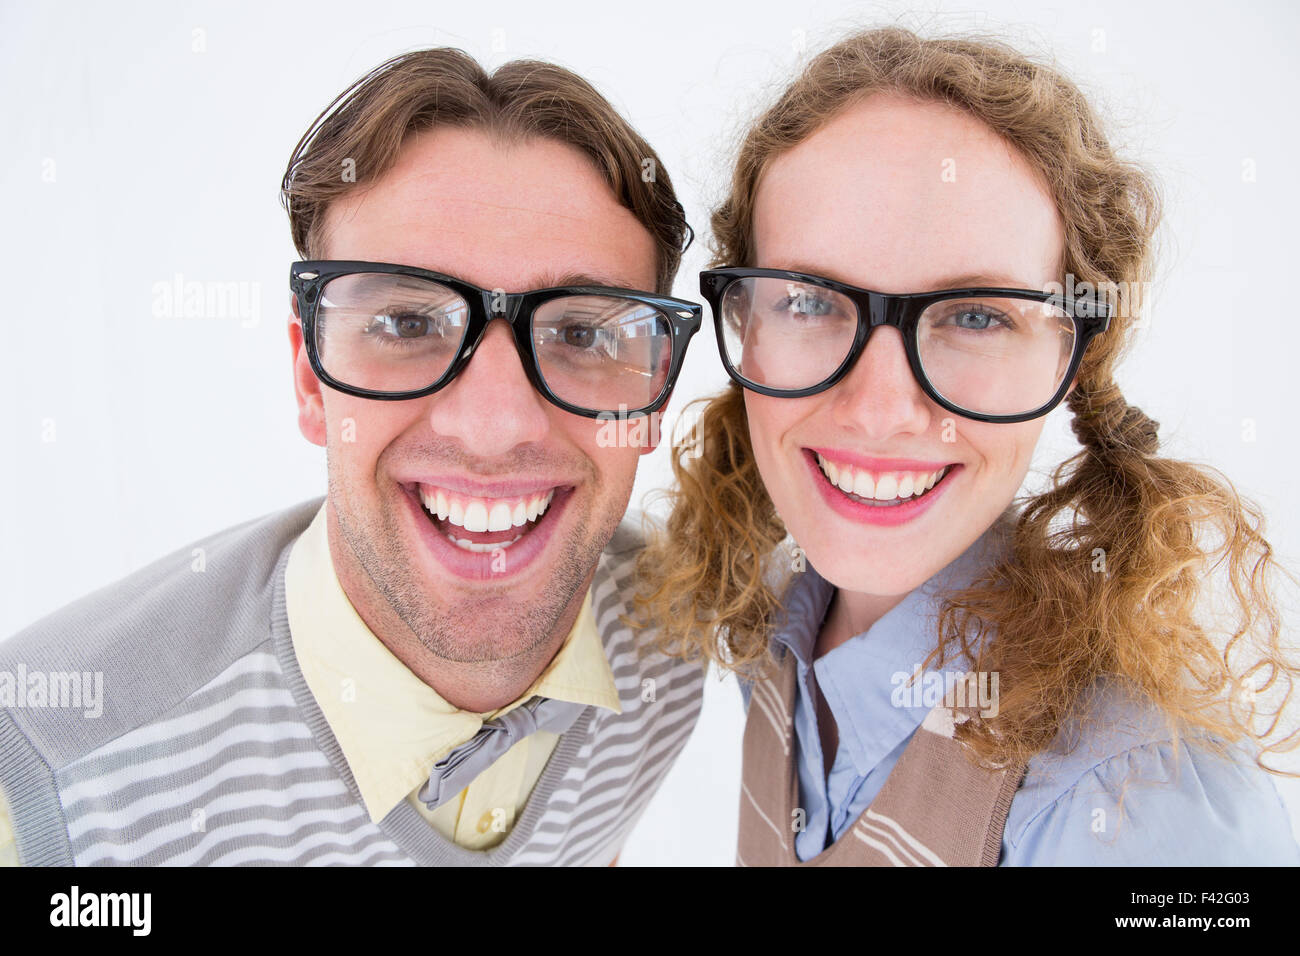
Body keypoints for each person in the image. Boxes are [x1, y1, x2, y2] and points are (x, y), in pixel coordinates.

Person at [0, 48, 705, 866]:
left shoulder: (679, 636)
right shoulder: (49, 784)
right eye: (408, 324)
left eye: (583, 333)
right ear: (309, 377)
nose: (496, 425)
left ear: (655, 392)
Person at [634, 26, 1300, 865]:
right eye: (808, 300)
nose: (879, 411)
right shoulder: (775, 633)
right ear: (746, 323)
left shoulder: (1140, 811)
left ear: (1074, 355)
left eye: (977, 315)